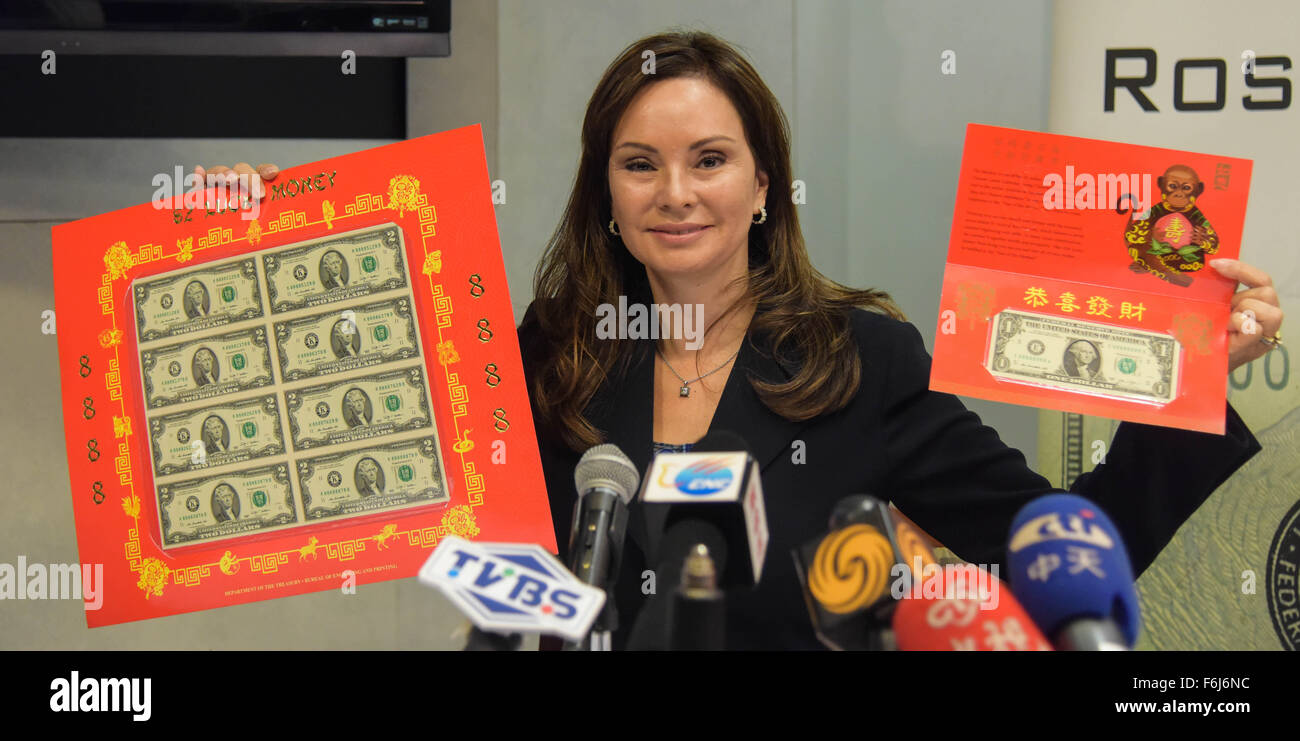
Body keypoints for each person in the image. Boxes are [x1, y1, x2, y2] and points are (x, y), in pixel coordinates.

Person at [198, 30, 1283, 650]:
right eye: (639, 165)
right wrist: (253, 249)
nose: (675, 195)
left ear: (764, 184)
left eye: (709, 160)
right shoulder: (546, 352)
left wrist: (1183, 380)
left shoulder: (861, 360)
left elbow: (1053, 546)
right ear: (606, 192)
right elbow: (338, 415)